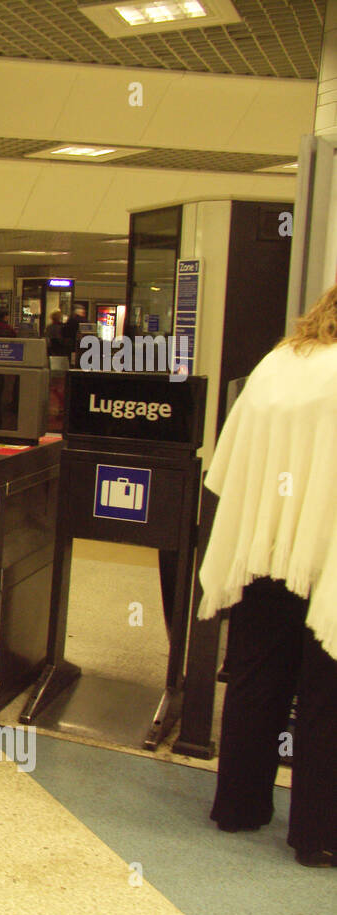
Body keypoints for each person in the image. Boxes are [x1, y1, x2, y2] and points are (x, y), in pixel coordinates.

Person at [197, 282, 337, 867]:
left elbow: (228, 465)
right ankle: (317, 836)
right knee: (327, 693)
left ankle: (239, 805)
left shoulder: (278, 362)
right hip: (325, 553)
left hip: (261, 548)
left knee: (256, 677)